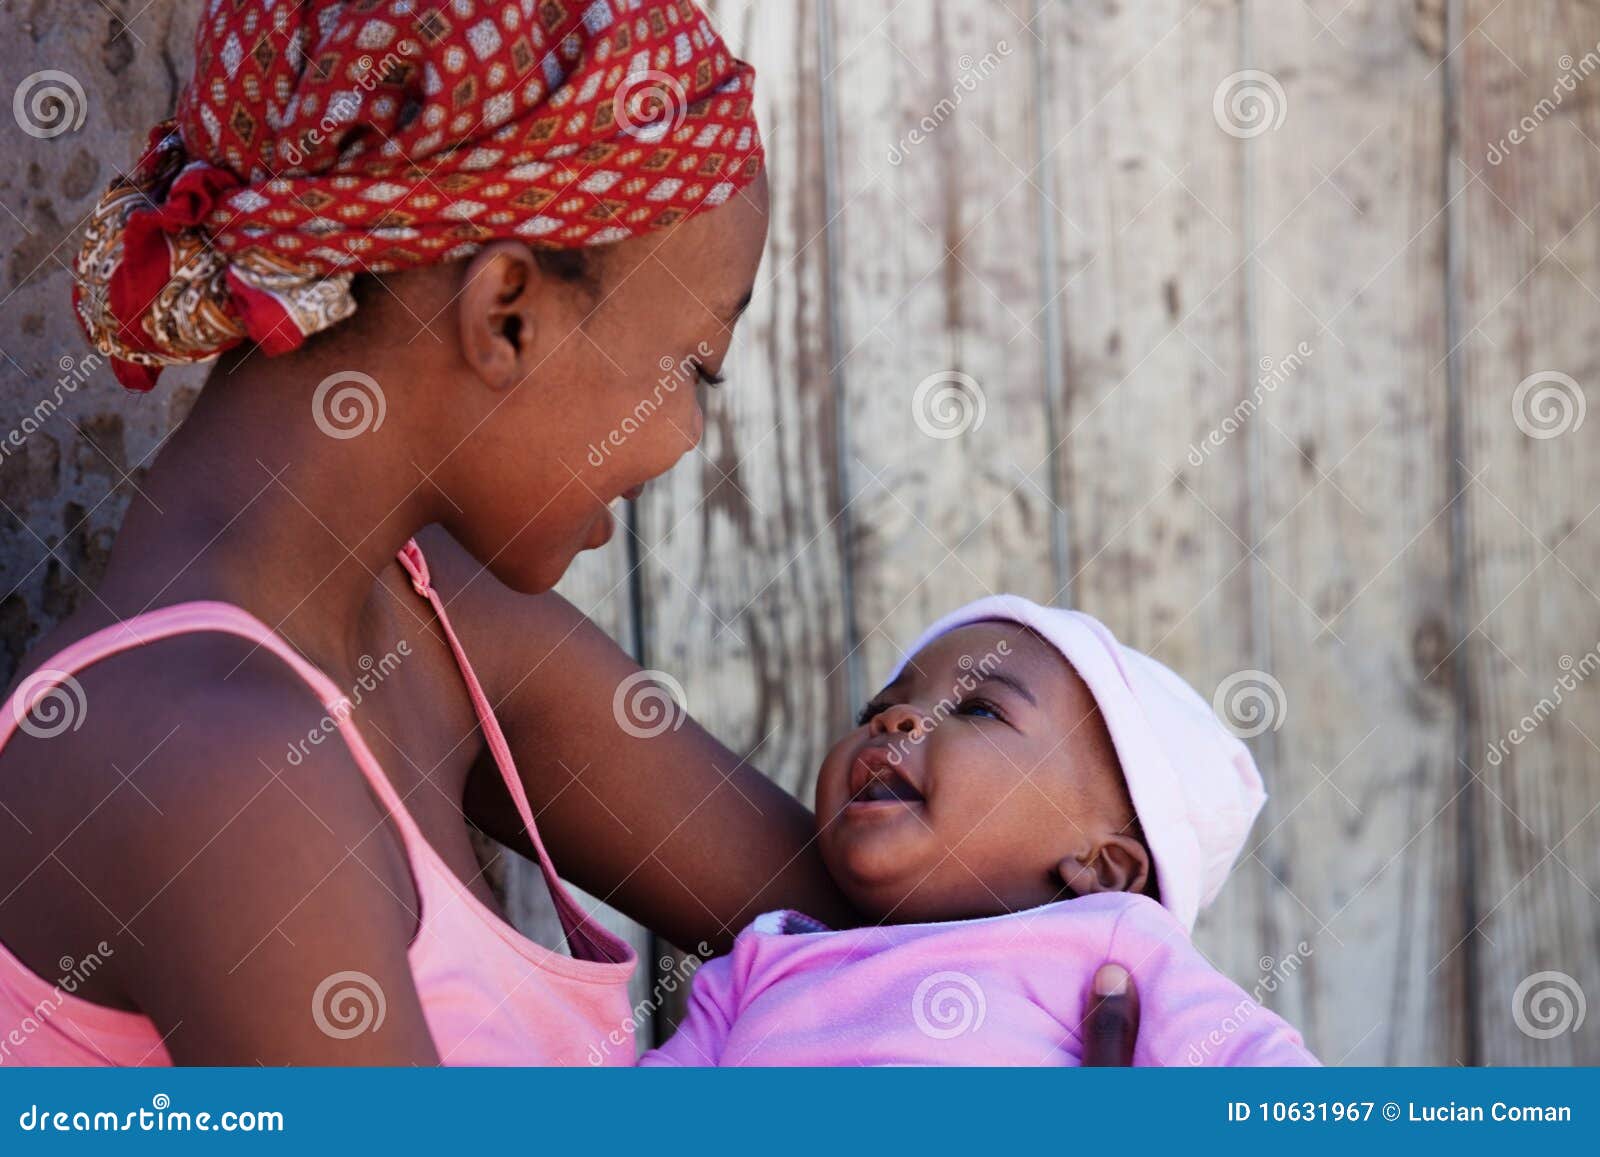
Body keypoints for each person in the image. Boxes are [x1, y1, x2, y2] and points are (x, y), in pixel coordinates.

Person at [0, 0, 1146, 1067]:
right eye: (692, 368)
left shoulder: (442, 616)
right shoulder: (219, 770)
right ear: (507, 313)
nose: (688, 437)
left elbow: (898, 915)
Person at [640, 595, 1317, 1066]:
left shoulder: (1113, 950)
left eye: (981, 709)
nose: (897, 719)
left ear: (1102, 867)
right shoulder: (761, 961)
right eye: (881, 705)